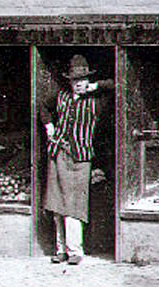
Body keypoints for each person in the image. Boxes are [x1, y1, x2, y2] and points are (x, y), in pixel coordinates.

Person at [40, 54, 114, 265]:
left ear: (87, 81)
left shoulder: (96, 101)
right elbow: (43, 107)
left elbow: (116, 86)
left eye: (82, 80)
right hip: (58, 154)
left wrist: (94, 87)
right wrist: (49, 127)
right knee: (56, 204)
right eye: (75, 80)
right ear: (69, 81)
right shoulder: (61, 96)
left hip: (80, 158)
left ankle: (75, 250)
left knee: (74, 205)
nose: (78, 84)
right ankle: (60, 249)